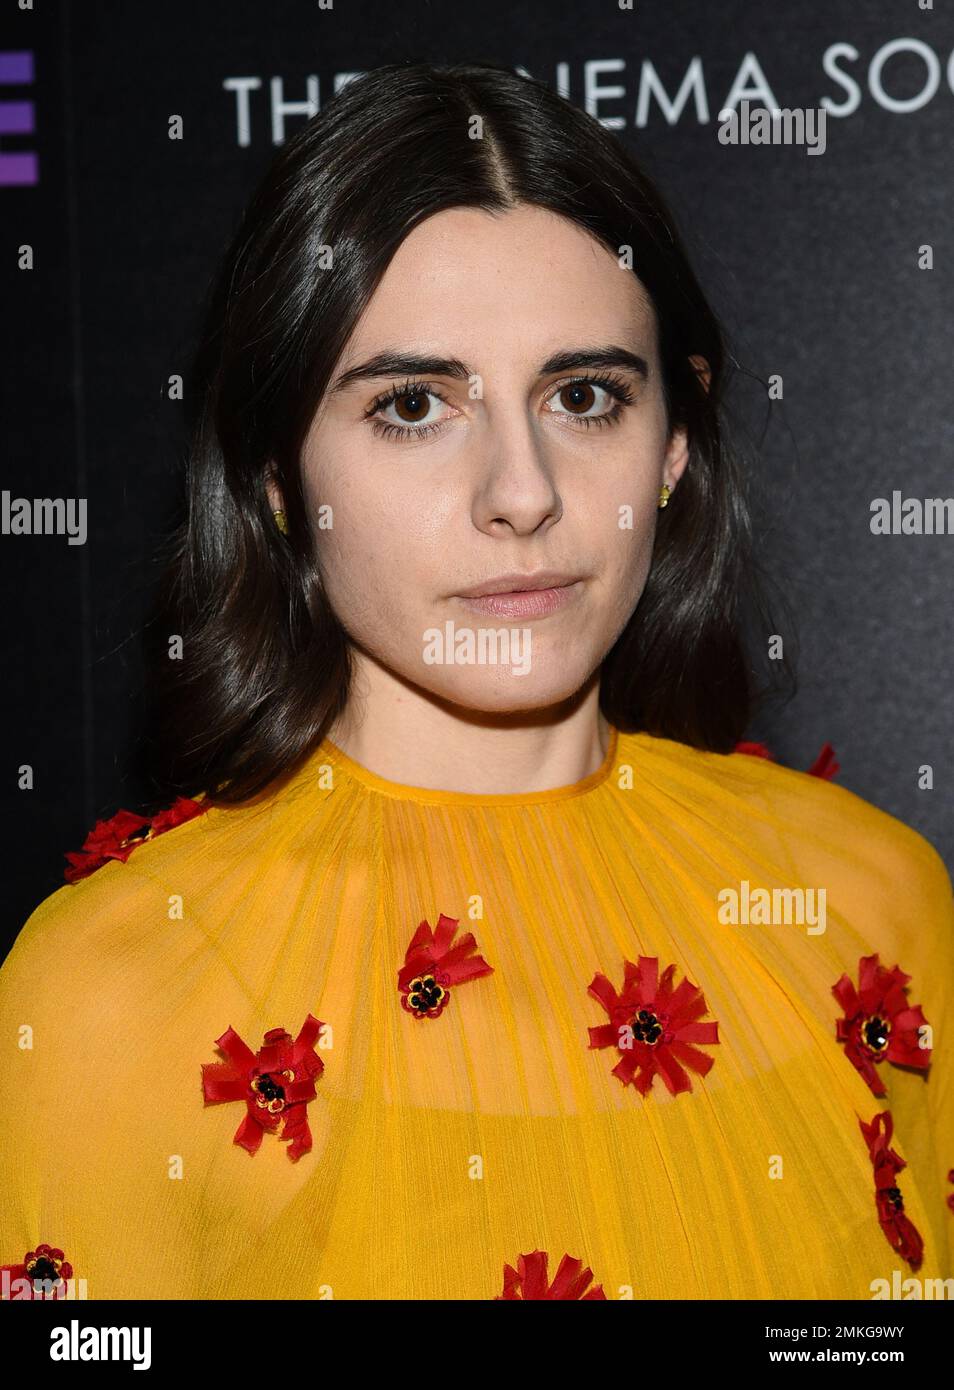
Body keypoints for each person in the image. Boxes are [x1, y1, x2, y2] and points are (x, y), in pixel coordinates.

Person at [1, 61, 951, 1302]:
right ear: (277, 475)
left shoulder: (871, 901)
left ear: (673, 442)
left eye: (586, 395)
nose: (524, 491)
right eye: (412, 405)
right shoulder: (105, 997)